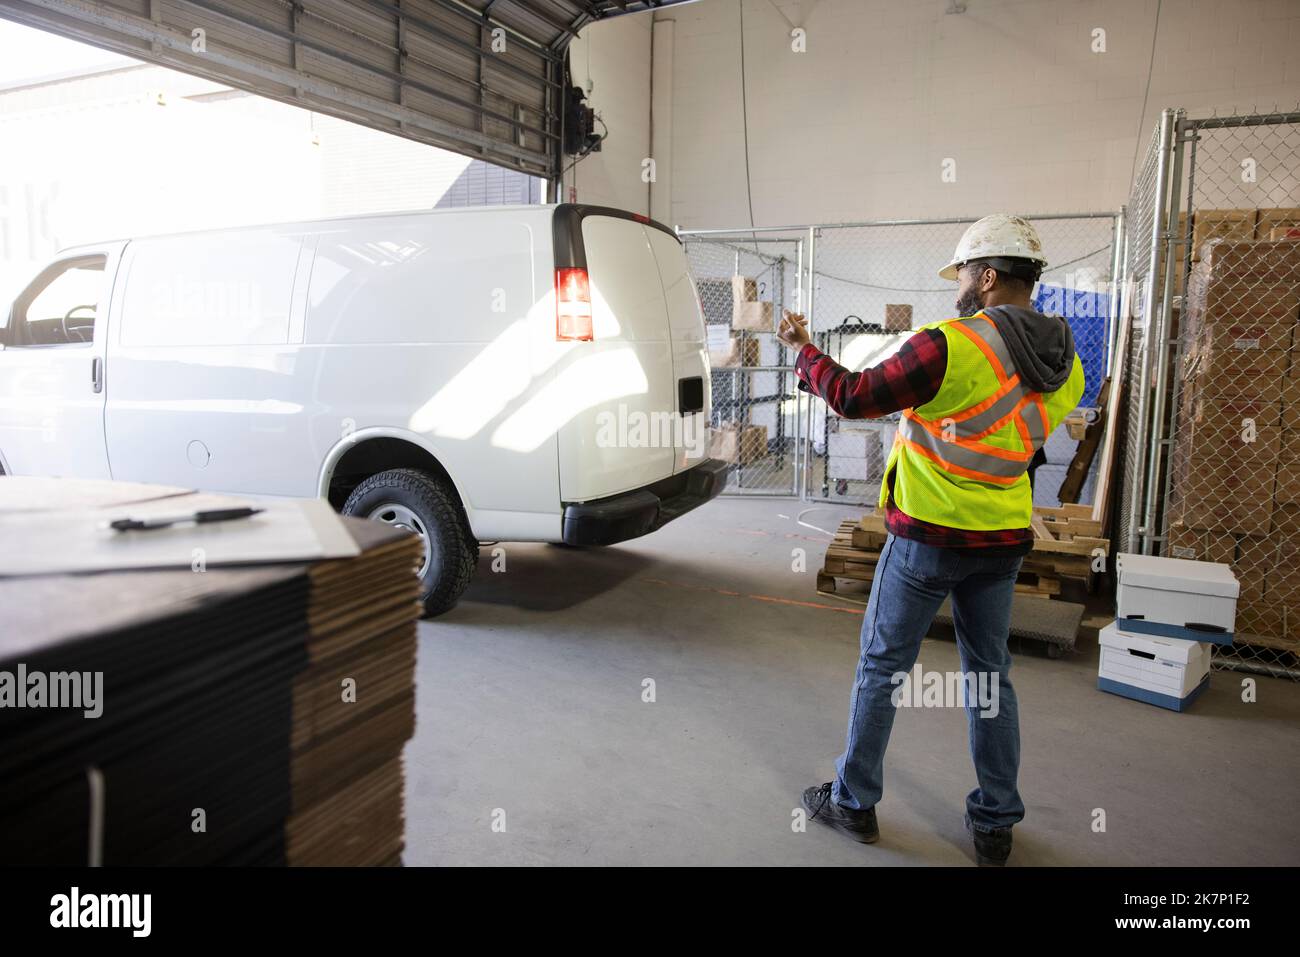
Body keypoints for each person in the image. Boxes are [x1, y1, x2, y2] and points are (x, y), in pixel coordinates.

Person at [777, 214, 1084, 866]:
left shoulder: (950, 345)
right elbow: (1008, 434)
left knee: (882, 668)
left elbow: (854, 396)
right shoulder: (1067, 360)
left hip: (927, 539)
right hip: (1001, 542)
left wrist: (804, 350)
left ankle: (854, 802)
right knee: (990, 676)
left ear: (990, 275)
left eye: (965, 274)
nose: (959, 287)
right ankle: (996, 821)